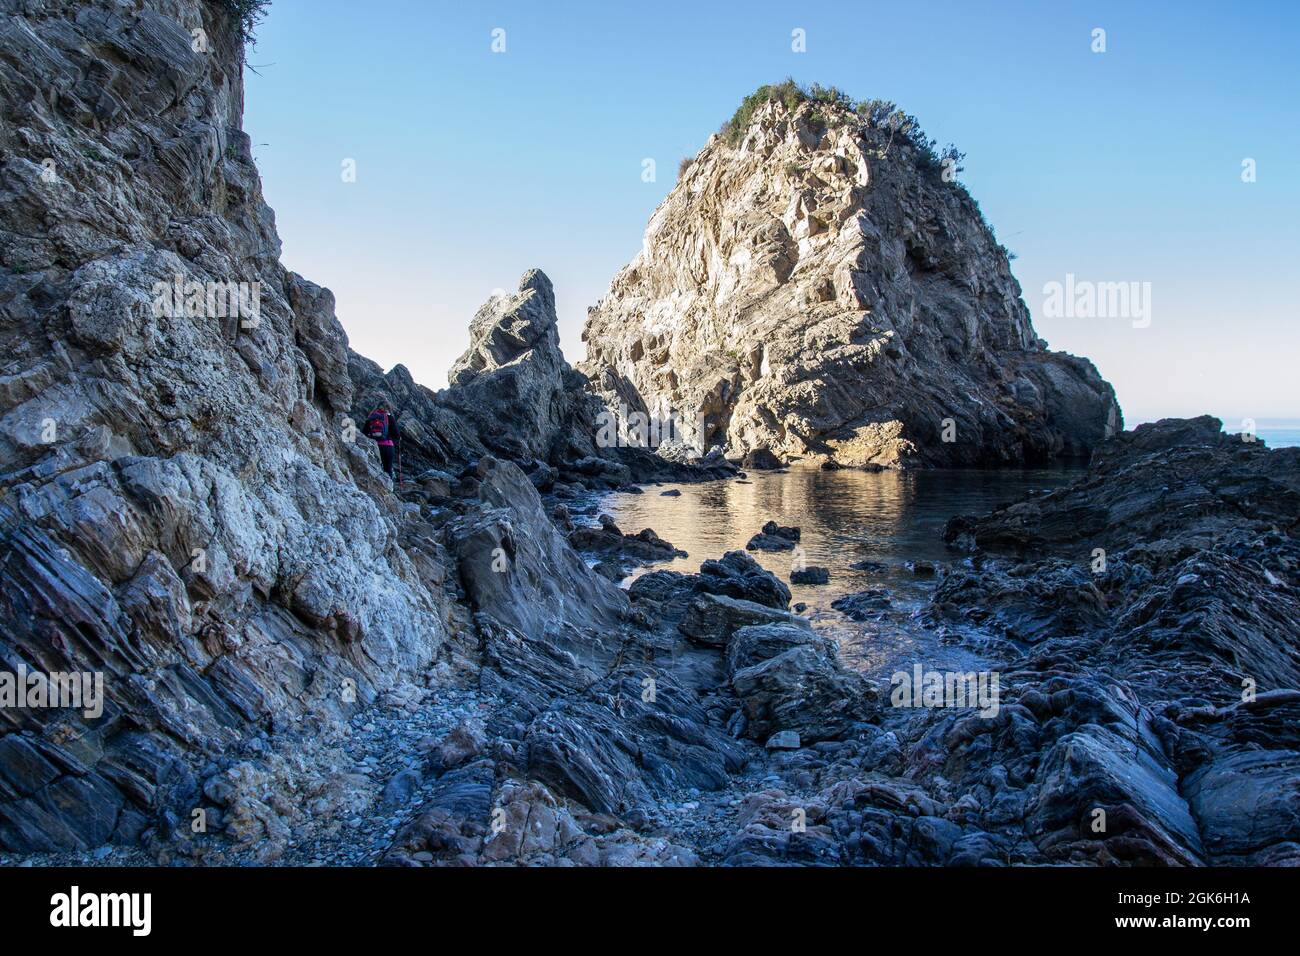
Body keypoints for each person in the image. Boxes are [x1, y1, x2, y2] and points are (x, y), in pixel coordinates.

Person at [363, 402, 402, 479]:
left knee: (375, 469)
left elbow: (364, 432)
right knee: (388, 470)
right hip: (388, 447)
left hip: (374, 447)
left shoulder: (371, 417)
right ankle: (387, 489)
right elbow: (397, 435)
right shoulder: (390, 417)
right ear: (388, 408)